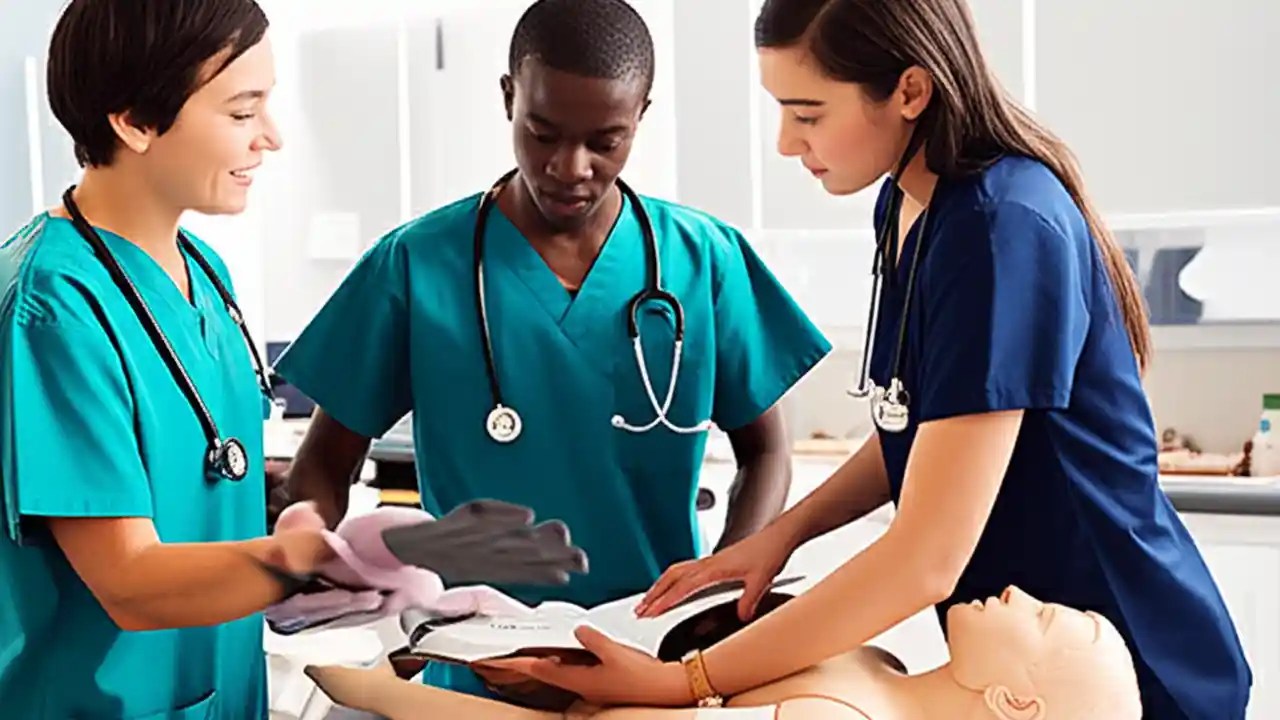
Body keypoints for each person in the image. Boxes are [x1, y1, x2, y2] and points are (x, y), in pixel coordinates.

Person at [484, 2, 1252, 719]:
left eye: (807, 112)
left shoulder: (1001, 229)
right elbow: (916, 425)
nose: (787, 142)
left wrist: (683, 682)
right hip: (1009, 671)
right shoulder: (911, 205)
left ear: (910, 91)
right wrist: (778, 537)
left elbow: (923, 561)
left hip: (1121, 663)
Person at [271, 0, 831, 702]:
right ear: (508, 97)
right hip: (470, 674)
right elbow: (324, 460)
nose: (571, 167)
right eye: (541, 133)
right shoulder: (416, 266)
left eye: (606, 140)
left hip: (648, 671)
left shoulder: (704, 261)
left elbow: (766, 451)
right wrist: (313, 556)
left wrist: (718, 591)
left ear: (642, 116)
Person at [0, 2, 317, 718]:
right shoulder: (52, 307)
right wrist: (307, 564)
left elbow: (205, 480)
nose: (273, 137)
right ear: (136, 119)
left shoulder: (204, 272)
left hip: (221, 687)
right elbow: (131, 580)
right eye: (242, 113)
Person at [309, 586, 1142, 720]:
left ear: (1012, 703)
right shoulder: (877, 667)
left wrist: (390, 697)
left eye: (1045, 624)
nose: (1023, 596)